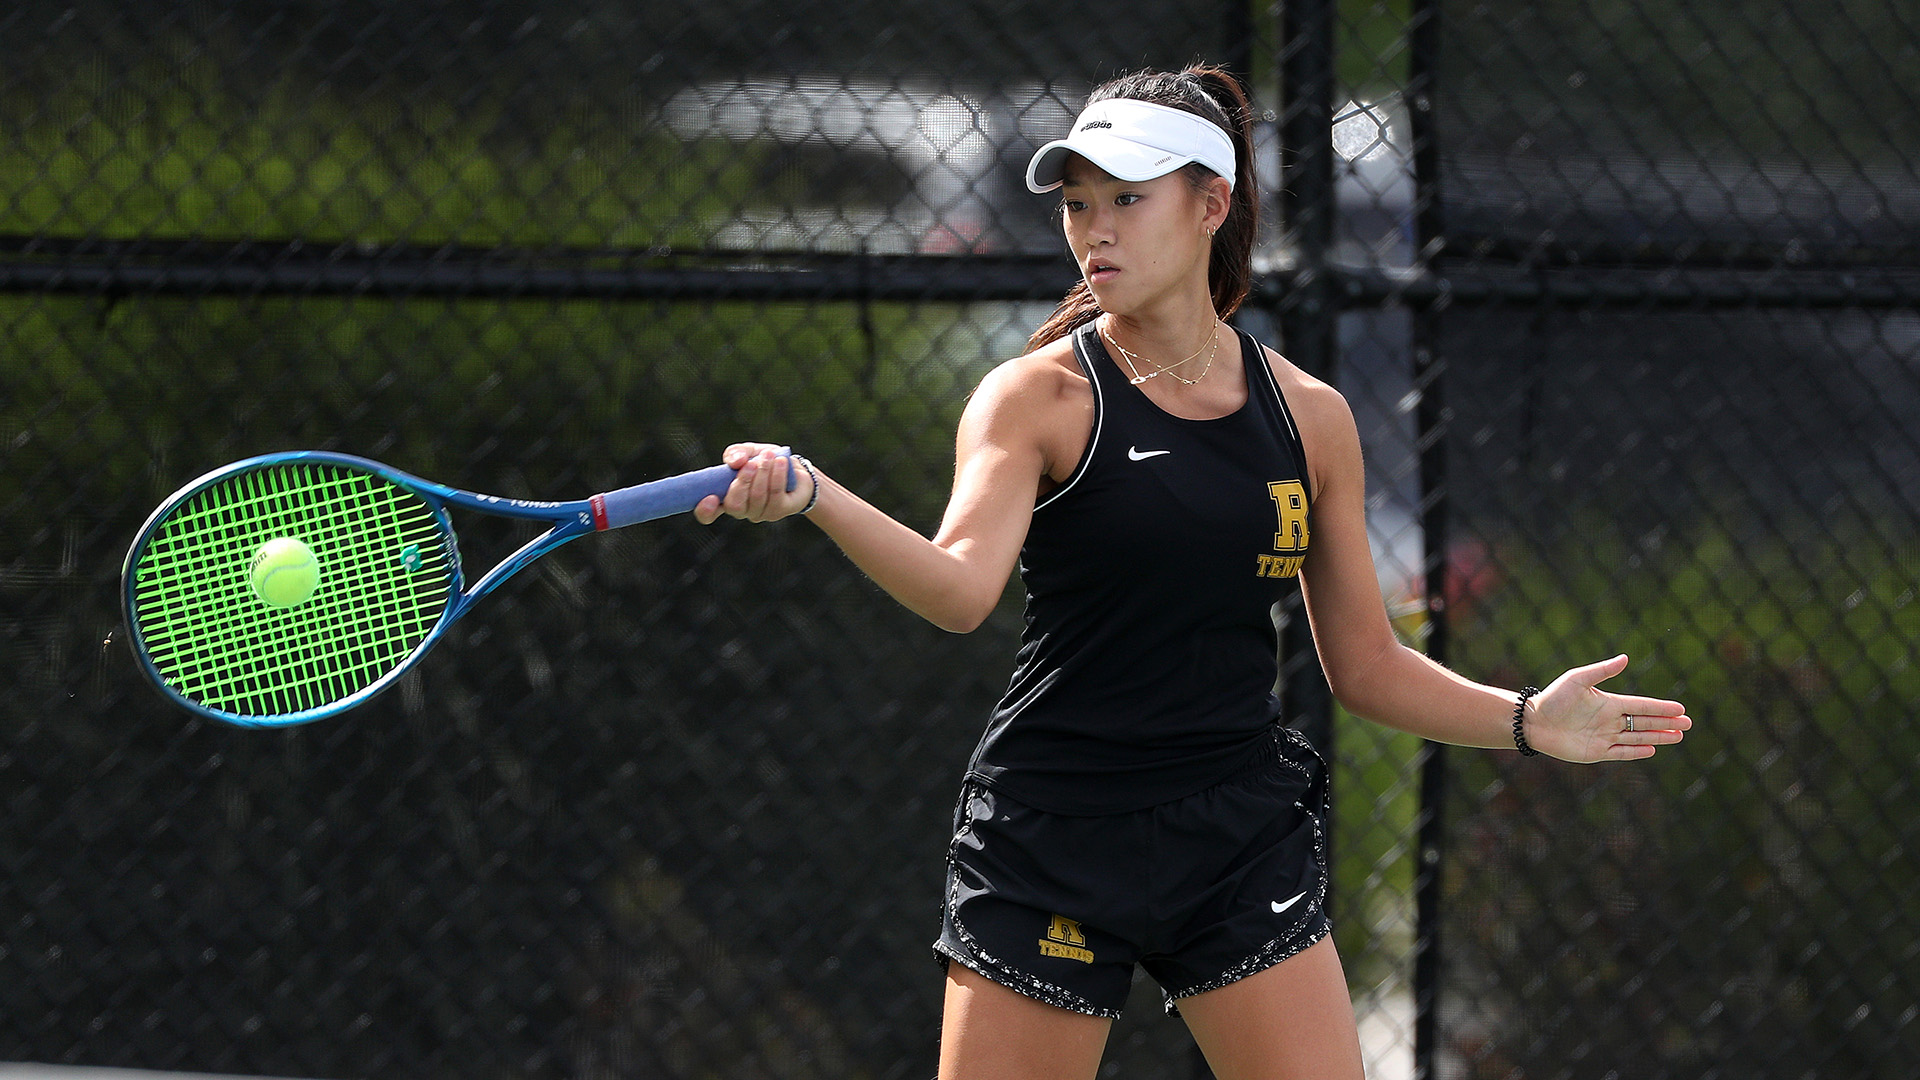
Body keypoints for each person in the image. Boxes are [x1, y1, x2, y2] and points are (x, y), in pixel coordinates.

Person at [694, 64, 1691, 1080]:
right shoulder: (1034, 397)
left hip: (1232, 831)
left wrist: (1529, 720)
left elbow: (1366, 666)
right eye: (1079, 204)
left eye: (1128, 198)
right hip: (1056, 834)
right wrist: (816, 494)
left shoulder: (1310, 416)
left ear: (1211, 205)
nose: (1096, 229)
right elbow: (958, 589)